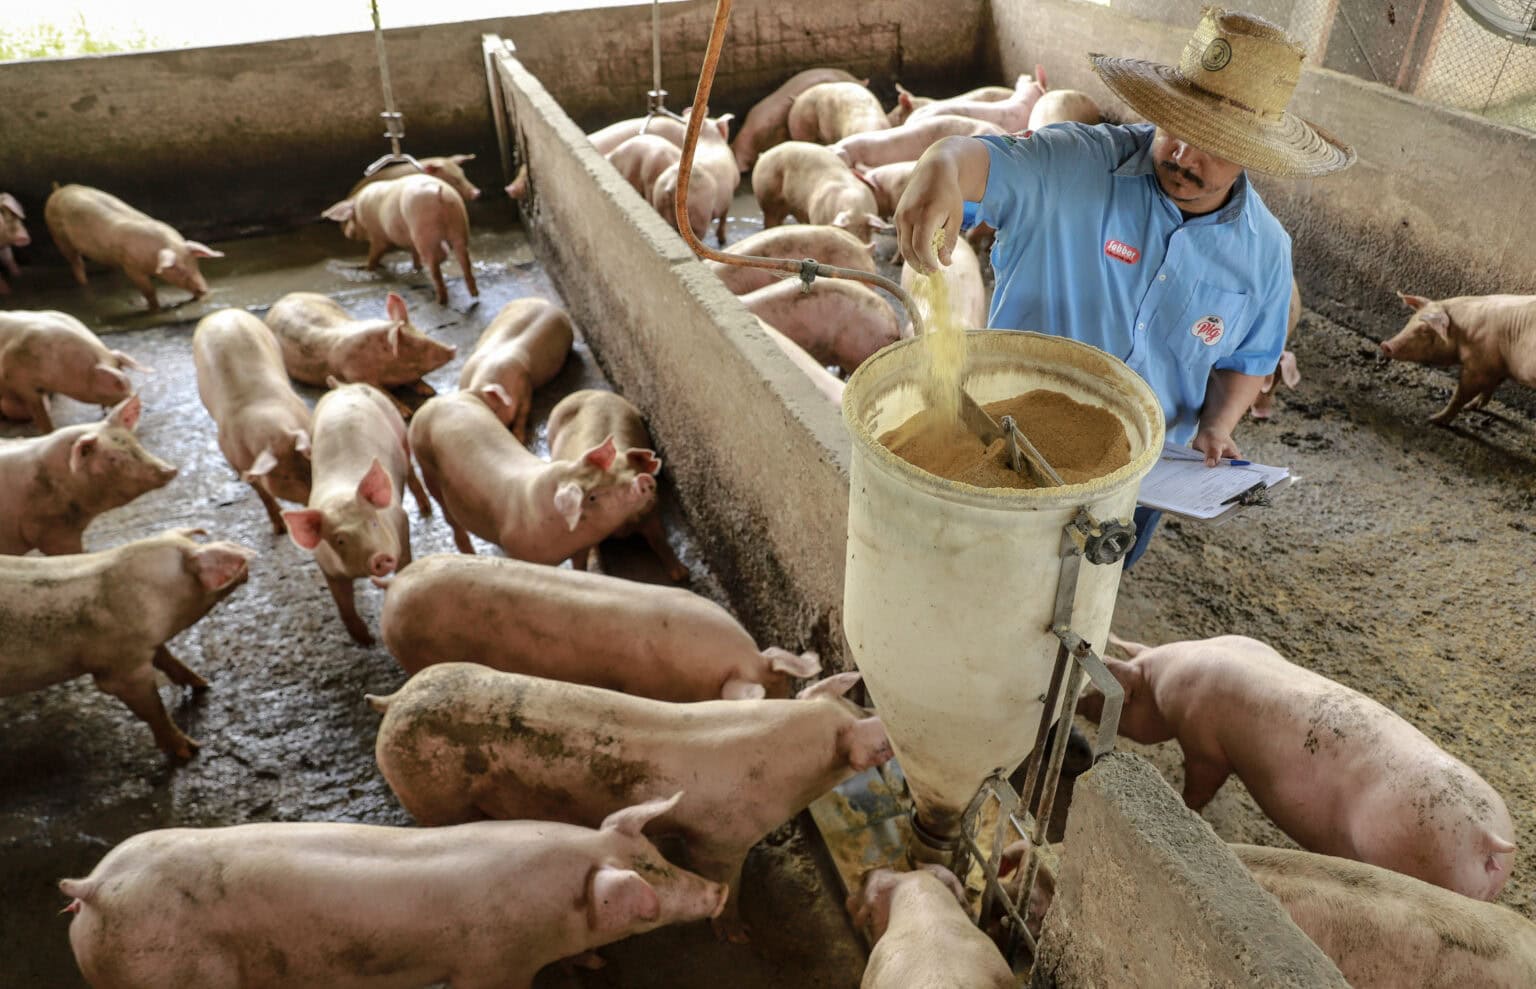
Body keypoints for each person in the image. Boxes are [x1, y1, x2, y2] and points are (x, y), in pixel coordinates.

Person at [895, 8, 1354, 568]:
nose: (1183, 155)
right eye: (1175, 127)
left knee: (1093, 587)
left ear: (1256, 153)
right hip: (1007, 444)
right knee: (982, 576)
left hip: (1143, 473)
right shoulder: (1073, 164)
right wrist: (939, 162)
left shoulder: (1265, 252)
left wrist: (1216, 425)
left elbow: (1249, 360)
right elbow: (972, 162)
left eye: (1213, 144)